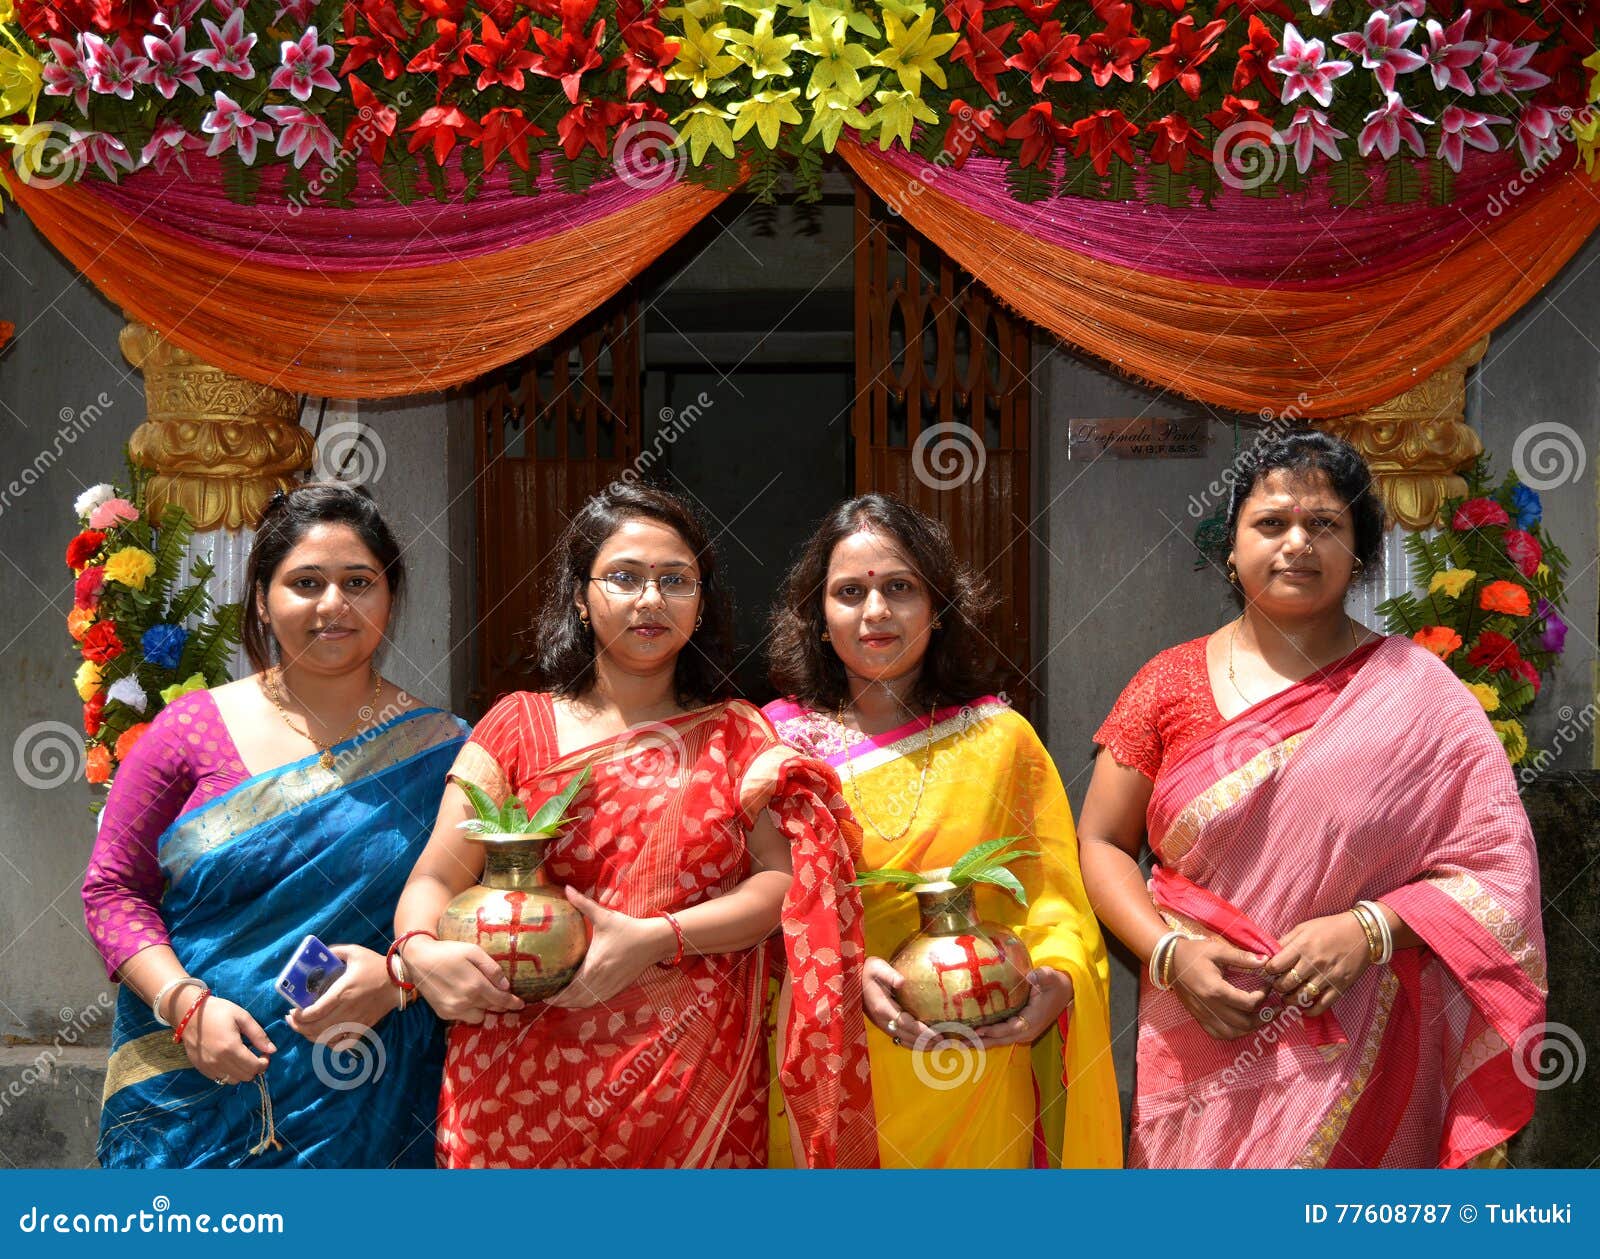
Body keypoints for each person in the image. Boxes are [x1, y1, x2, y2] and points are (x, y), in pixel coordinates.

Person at [1078, 429, 1548, 1168]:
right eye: (1271, 523)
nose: (1297, 542)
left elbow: (1497, 866)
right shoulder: (1166, 682)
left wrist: (1373, 928)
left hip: (1362, 1033)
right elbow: (1101, 841)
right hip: (1200, 1018)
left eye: (1324, 524)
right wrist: (1168, 953)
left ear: (1359, 552)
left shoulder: (1421, 693)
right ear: (1229, 548)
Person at [392, 483, 876, 1168]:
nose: (651, 600)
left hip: (691, 1089)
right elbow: (438, 874)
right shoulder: (516, 725)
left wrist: (657, 939)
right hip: (517, 1085)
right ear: (582, 597)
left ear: (701, 602)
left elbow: (783, 880)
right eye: (624, 577)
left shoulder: (738, 734)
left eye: (675, 580)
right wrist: (417, 950)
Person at [83, 483, 466, 1167]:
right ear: (262, 597)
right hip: (191, 1091)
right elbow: (113, 890)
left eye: (358, 581)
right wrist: (185, 1005)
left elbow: (476, 905)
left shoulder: (446, 750)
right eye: (306, 582)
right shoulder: (189, 731)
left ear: (391, 596)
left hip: (366, 1096)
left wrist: (399, 976)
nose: (333, 604)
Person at [763, 493, 1121, 1168]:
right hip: (832, 1056)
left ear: (939, 607)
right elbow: (752, 905)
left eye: (899, 587)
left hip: (978, 1052)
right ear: (817, 616)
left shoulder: (1001, 740)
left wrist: (1059, 979)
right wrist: (837, 971)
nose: (876, 612)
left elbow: (1053, 898)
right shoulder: (776, 747)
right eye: (849, 592)